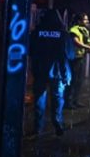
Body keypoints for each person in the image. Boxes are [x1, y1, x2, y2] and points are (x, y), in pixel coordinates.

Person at [30, 9, 73, 137]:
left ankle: (38, 127)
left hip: (40, 71)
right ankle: (57, 122)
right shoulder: (63, 34)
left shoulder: (37, 33)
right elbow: (70, 55)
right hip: (58, 72)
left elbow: (30, 51)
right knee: (57, 98)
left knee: (39, 98)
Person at [66, 13, 90, 108]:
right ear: (79, 21)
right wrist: (88, 48)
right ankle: (68, 102)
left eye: (87, 20)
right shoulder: (73, 30)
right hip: (73, 59)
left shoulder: (84, 30)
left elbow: (88, 43)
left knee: (79, 81)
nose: (87, 22)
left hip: (80, 58)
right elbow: (77, 42)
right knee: (72, 81)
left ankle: (75, 101)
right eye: (85, 20)